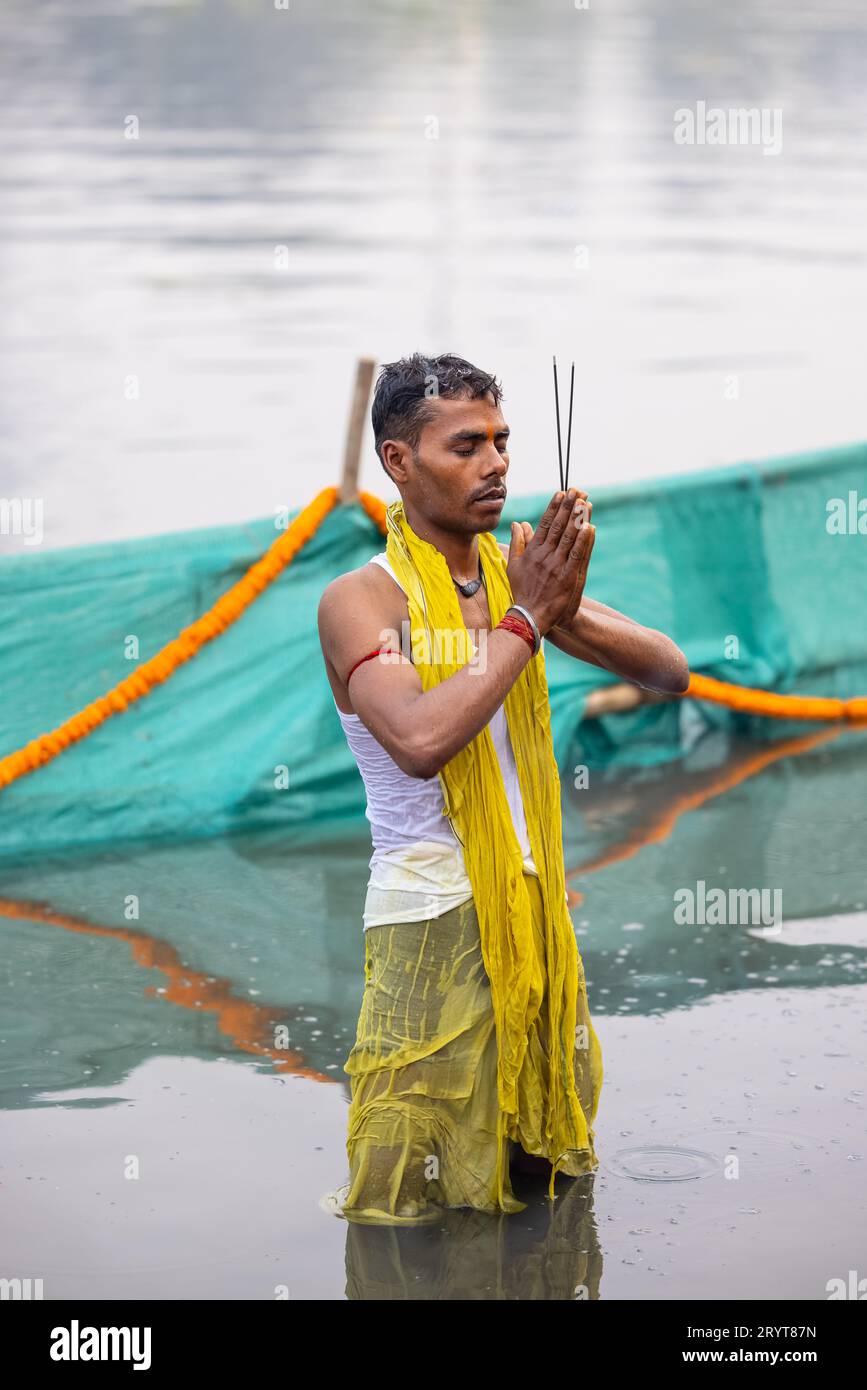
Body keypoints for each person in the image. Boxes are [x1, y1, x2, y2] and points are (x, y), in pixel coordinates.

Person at [317, 353, 689, 1224]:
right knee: (406, 1198)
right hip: (427, 919)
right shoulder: (359, 601)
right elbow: (416, 740)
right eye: (464, 445)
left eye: (502, 441)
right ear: (399, 462)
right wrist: (526, 619)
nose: (495, 465)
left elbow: (670, 670)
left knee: (541, 1178)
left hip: (533, 915)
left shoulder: (519, 583)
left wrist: (552, 606)